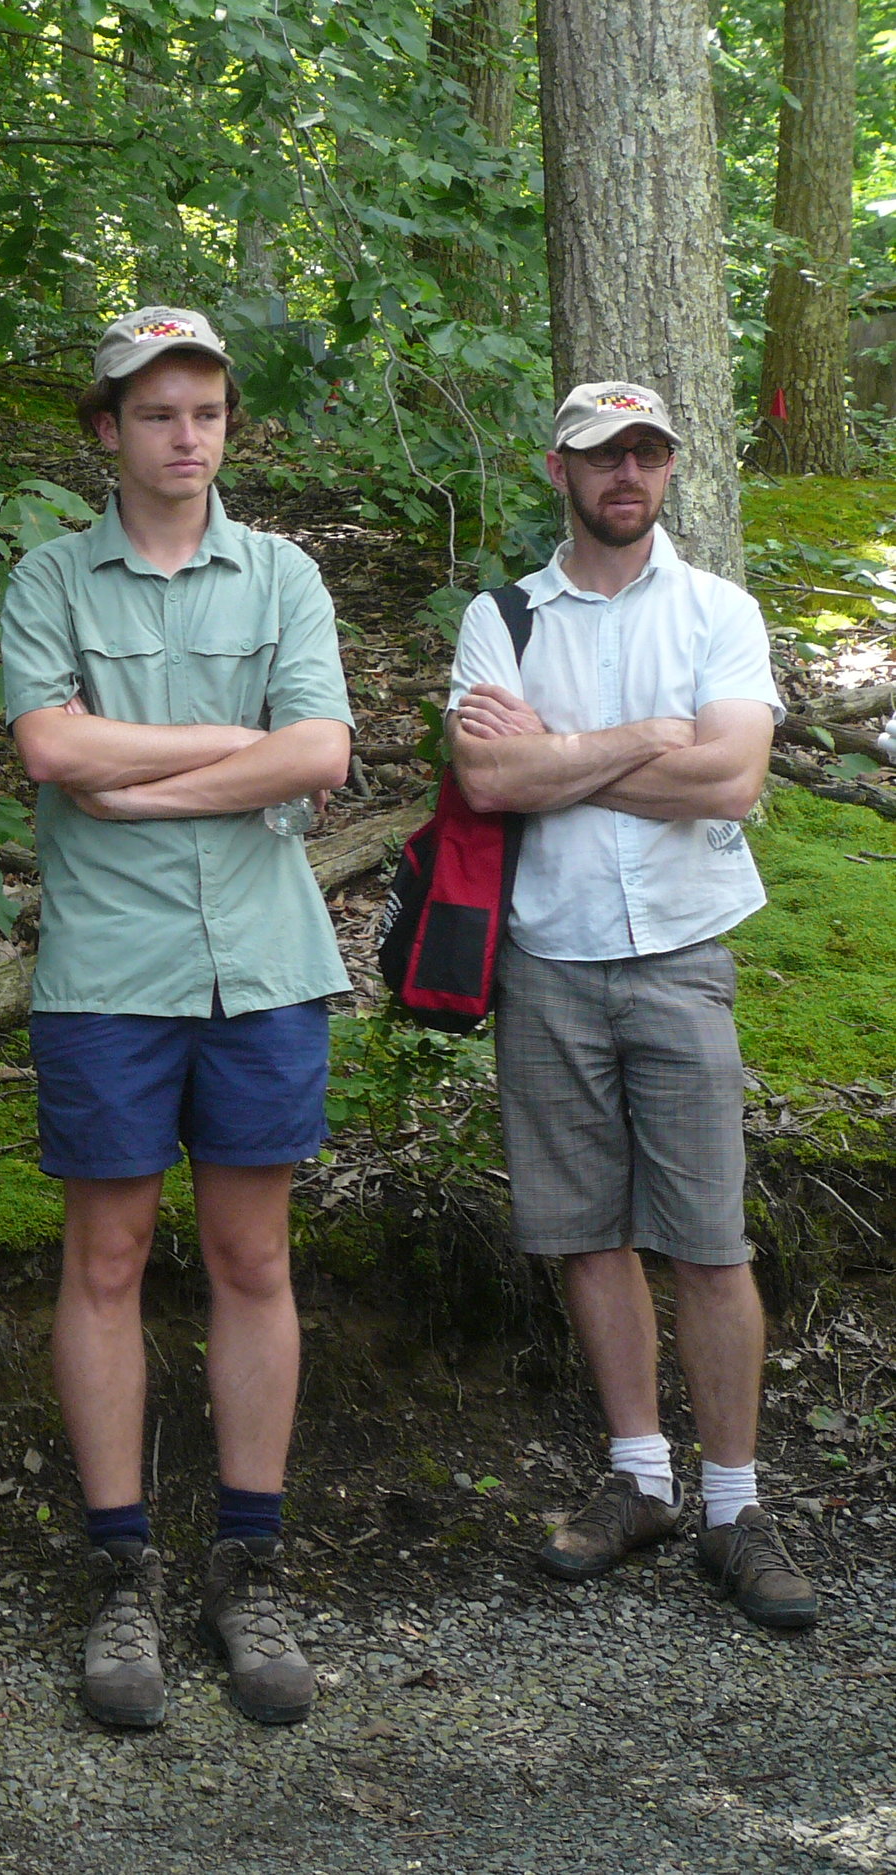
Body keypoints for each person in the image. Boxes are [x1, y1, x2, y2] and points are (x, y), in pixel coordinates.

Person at [0, 307, 354, 1730]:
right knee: (108, 1252)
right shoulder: (48, 579)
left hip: (263, 963)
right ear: (105, 429)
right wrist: (237, 746)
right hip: (106, 969)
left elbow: (323, 751)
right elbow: (51, 746)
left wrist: (142, 775)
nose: (185, 435)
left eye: (204, 411)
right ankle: (123, 1570)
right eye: (155, 413)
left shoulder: (282, 575)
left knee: (250, 1248)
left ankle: (249, 1562)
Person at [449, 382, 816, 1631]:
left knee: (709, 1237)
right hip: (543, 957)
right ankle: (640, 1480)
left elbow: (731, 778)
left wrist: (567, 750)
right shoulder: (502, 616)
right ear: (558, 467)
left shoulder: (719, 608)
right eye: (604, 455)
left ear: (670, 469)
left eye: (647, 454)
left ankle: (733, 1505)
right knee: (585, 1231)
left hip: (679, 949)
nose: (627, 474)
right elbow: (487, 777)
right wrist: (642, 739)